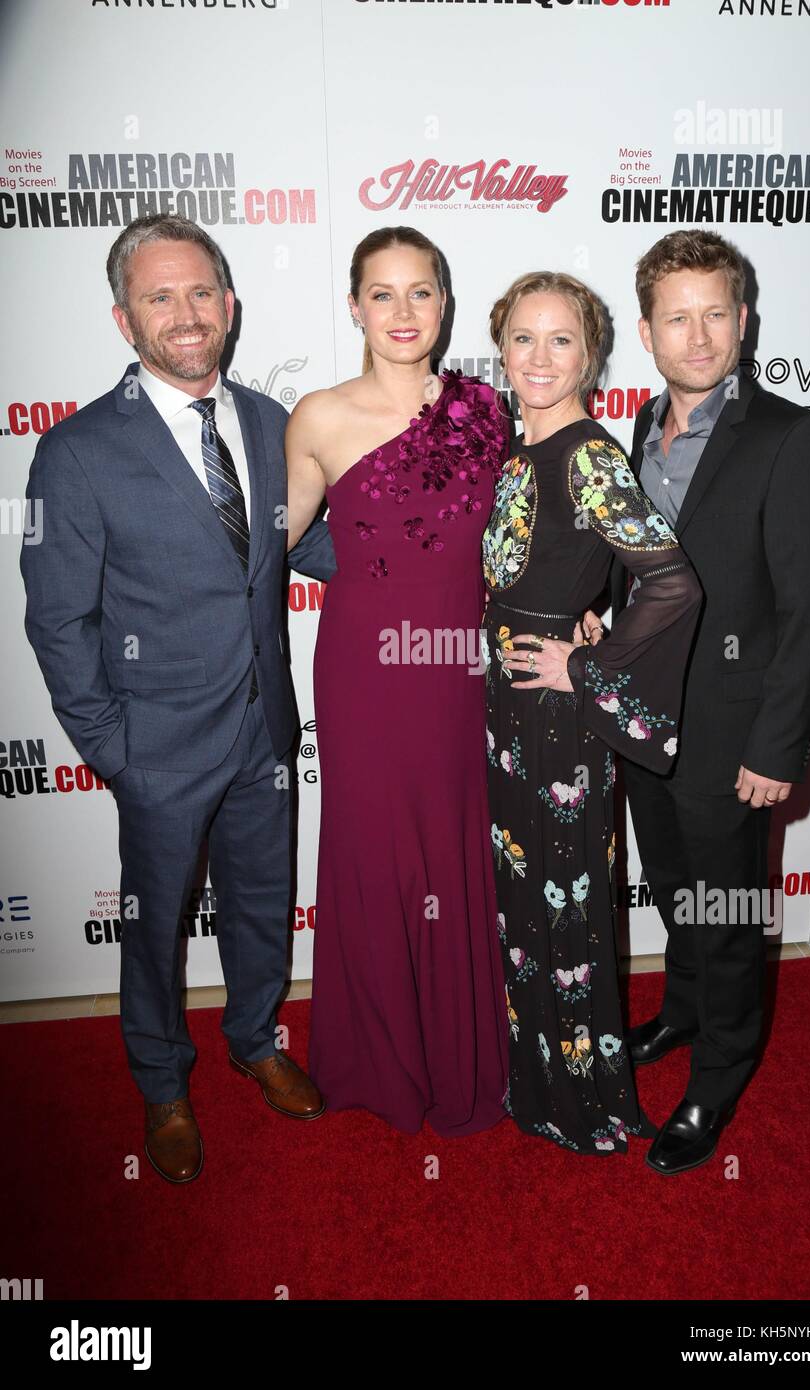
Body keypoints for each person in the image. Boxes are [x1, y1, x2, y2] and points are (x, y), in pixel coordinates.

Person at [20, 214, 336, 1184]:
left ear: (230, 304)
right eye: (160, 296)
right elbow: (57, 619)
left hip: (262, 730)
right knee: (155, 926)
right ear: (124, 318)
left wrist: (434, 549)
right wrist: (115, 749)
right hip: (155, 743)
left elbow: (314, 549)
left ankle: (253, 1039)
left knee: (258, 901)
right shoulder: (76, 452)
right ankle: (161, 1083)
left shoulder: (277, 424)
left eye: (200, 291)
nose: (185, 313)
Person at [587, 229, 810, 1175]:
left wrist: (778, 751)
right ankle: (686, 1012)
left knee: (730, 912)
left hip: (735, 735)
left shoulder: (796, 439)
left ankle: (721, 1075)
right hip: (647, 729)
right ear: (648, 335)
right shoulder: (635, 435)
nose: (698, 337)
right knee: (679, 893)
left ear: (744, 320)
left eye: (715, 314)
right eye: (675, 318)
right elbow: (644, 583)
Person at [285, 226, 510, 1135]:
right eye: (383, 293)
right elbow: (275, 541)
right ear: (354, 307)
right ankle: (380, 1060)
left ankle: (464, 1053)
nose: (404, 312)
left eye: (422, 292)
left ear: (445, 306)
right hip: (366, 672)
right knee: (376, 851)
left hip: (461, 664)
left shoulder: (487, 410)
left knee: (454, 845)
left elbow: (524, 537)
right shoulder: (320, 416)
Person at [483, 271, 702, 1156]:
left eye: (561, 339)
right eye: (524, 338)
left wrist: (590, 662)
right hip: (509, 715)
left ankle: (587, 1102)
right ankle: (539, 1082)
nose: (540, 357)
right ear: (500, 349)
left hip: (558, 721)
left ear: (592, 355)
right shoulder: (517, 451)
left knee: (562, 915)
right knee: (527, 909)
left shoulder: (586, 453)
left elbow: (674, 581)